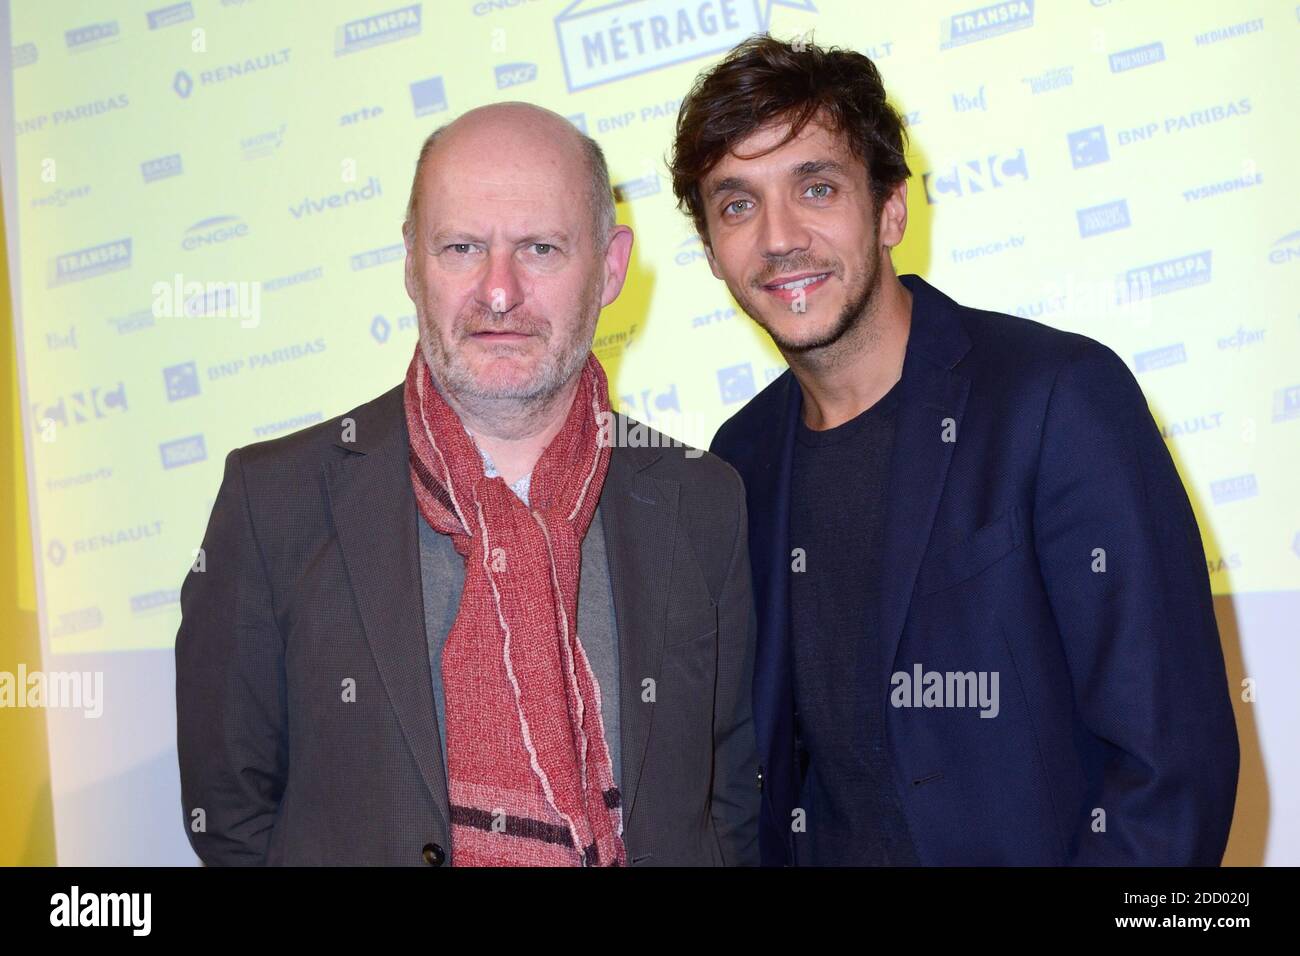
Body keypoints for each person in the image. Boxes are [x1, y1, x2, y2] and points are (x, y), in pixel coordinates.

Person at [668, 35, 1239, 865]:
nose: (779, 237)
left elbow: (1170, 766)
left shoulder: (1056, 398)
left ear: (890, 208)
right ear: (713, 250)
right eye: (737, 204)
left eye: (815, 187)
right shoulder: (740, 460)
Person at [176, 101, 759, 866]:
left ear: (611, 268)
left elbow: (730, 808)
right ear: (412, 262)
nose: (497, 292)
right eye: (460, 248)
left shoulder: (703, 500)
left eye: (541, 248)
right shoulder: (273, 502)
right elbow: (230, 814)